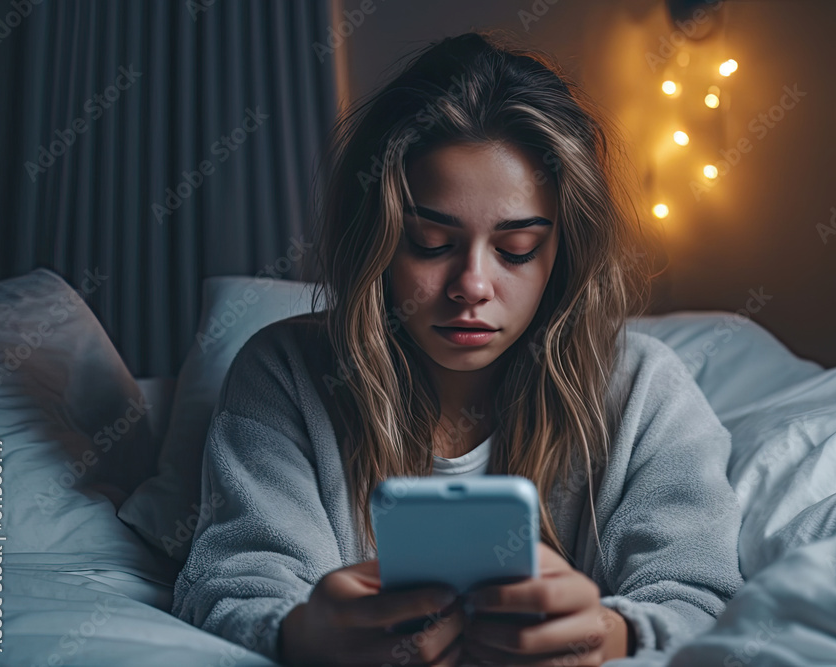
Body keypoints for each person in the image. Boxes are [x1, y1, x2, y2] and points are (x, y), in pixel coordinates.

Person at [172, 31, 744, 667]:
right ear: (377, 239)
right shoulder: (284, 374)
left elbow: (702, 598)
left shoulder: (643, 390)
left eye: (517, 249)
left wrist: (610, 635)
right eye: (430, 242)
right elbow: (234, 585)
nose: (472, 285)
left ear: (563, 253)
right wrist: (303, 634)